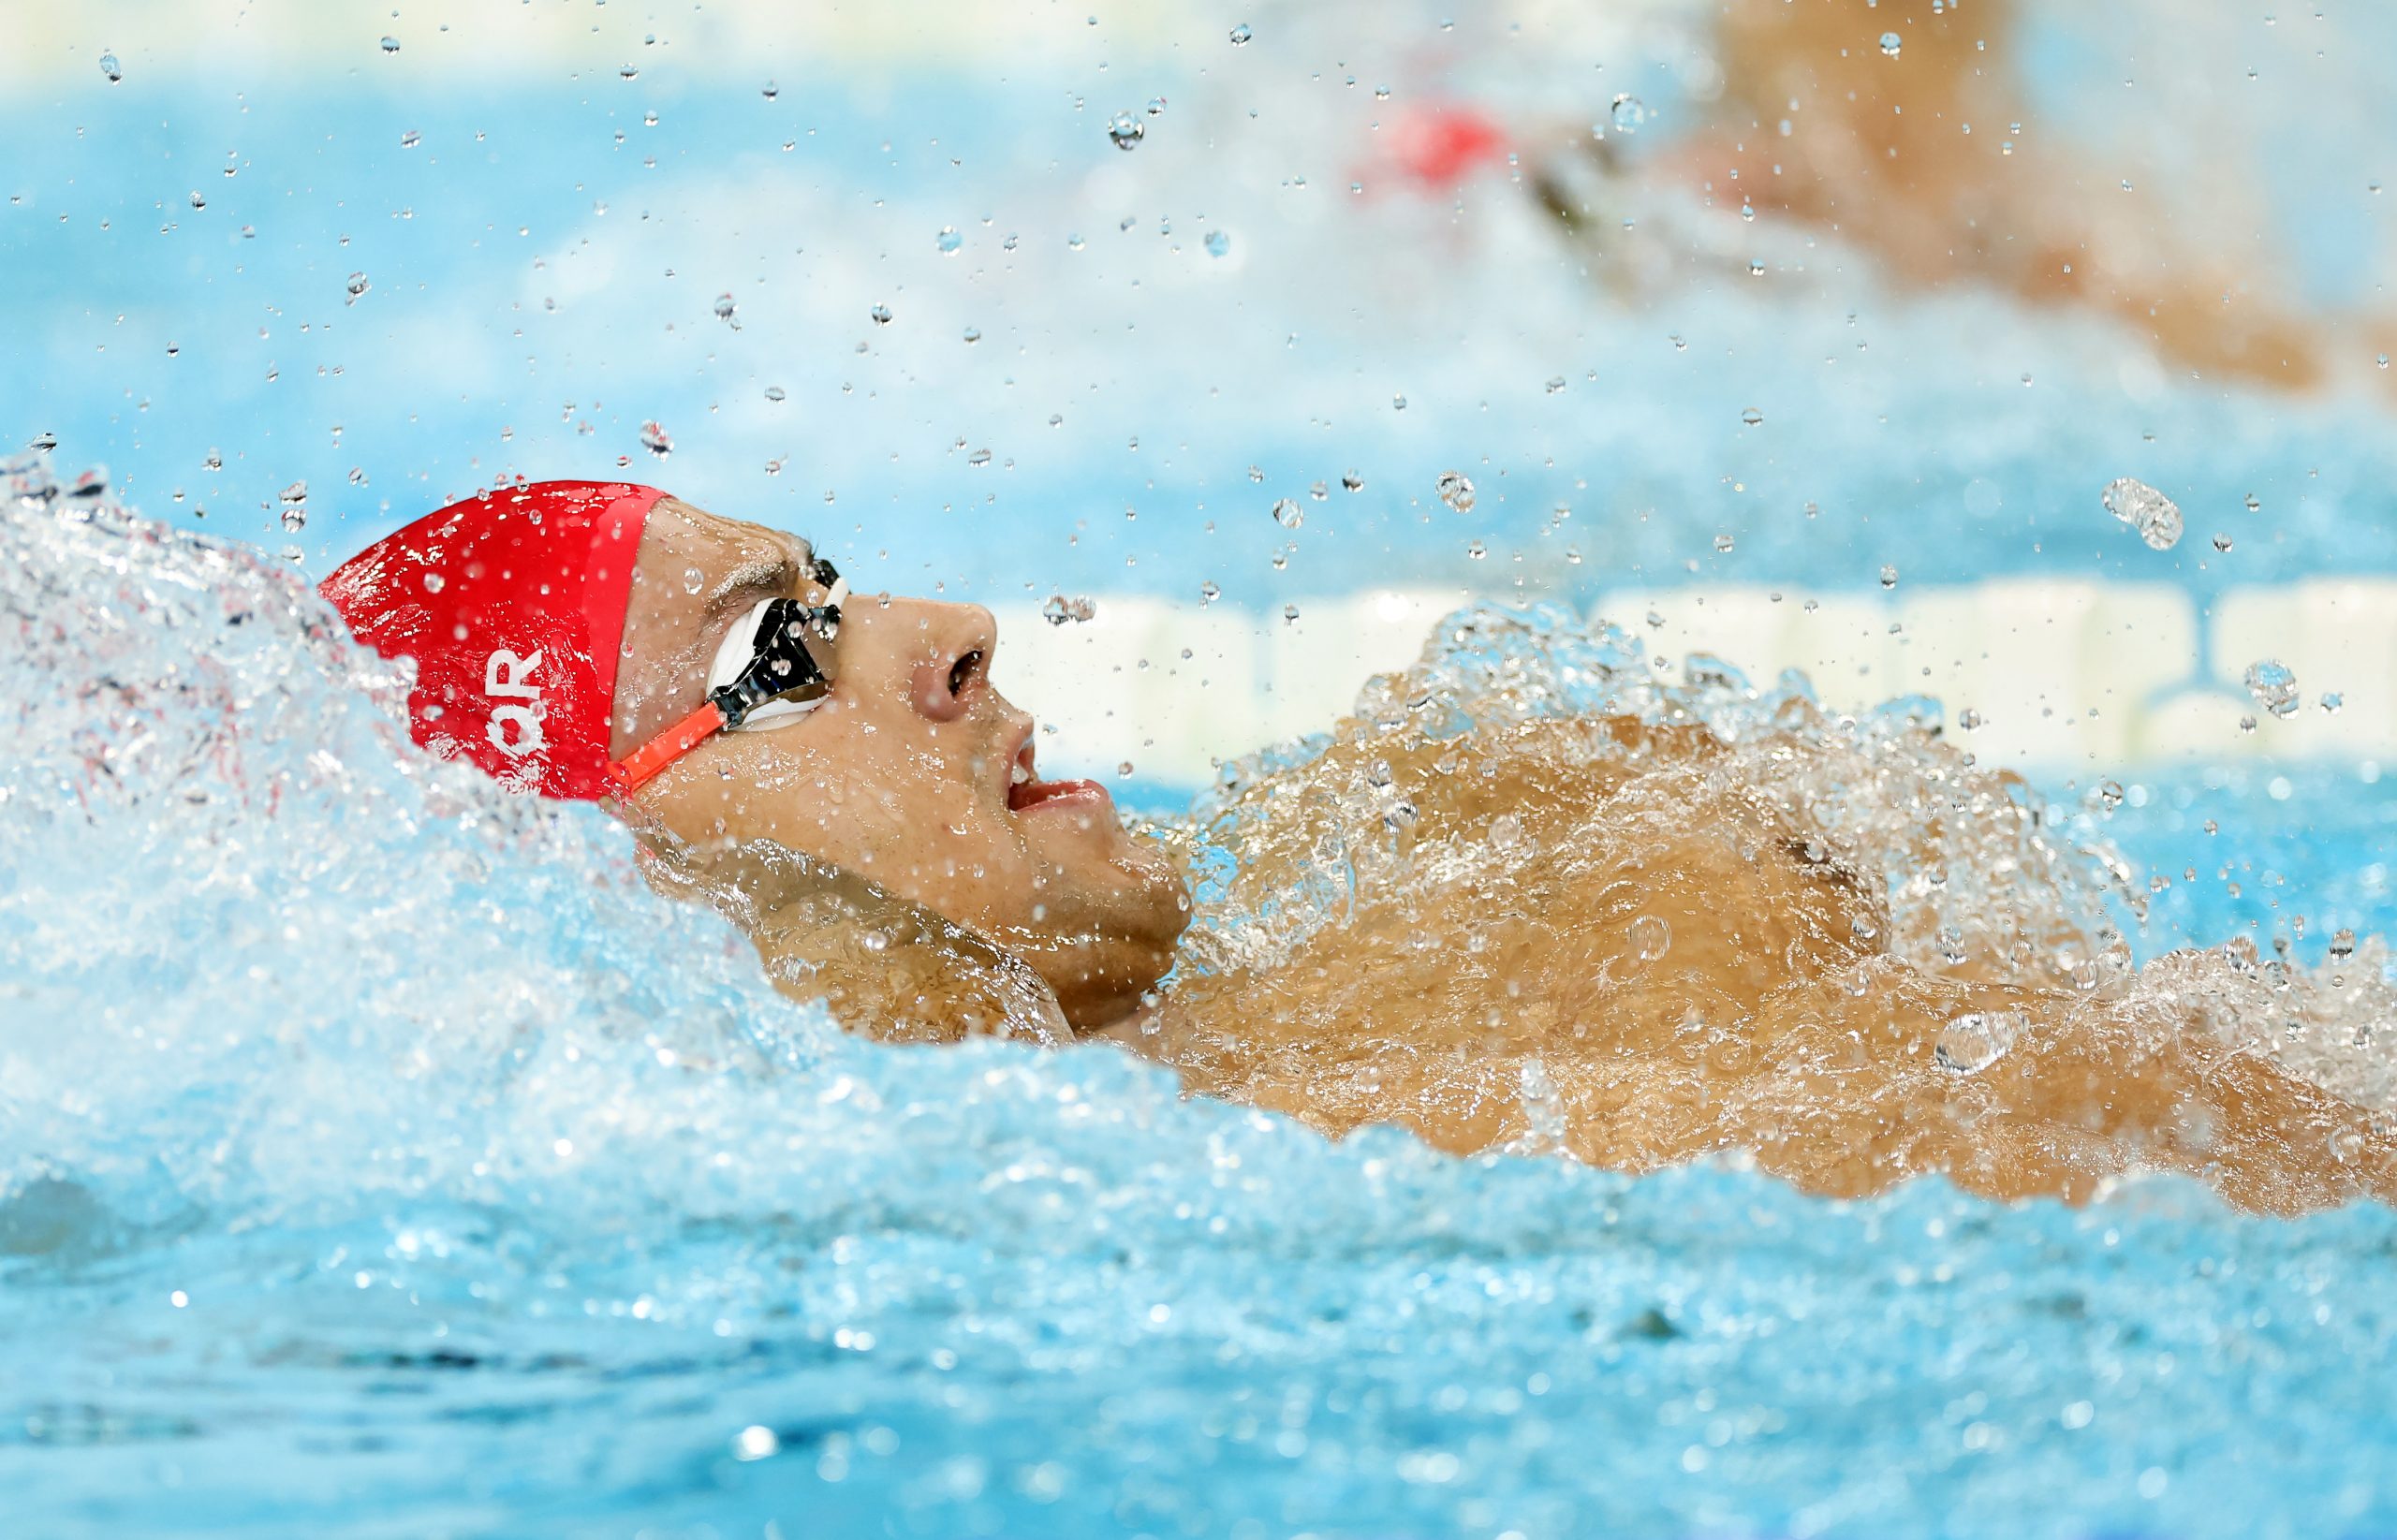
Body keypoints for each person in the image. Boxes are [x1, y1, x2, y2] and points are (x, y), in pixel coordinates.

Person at [325, 479, 2397, 1215]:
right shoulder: (1283, 1147)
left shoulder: (1333, 933)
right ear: (633, 887)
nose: (946, 628)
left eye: (839, 580)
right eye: (782, 654)